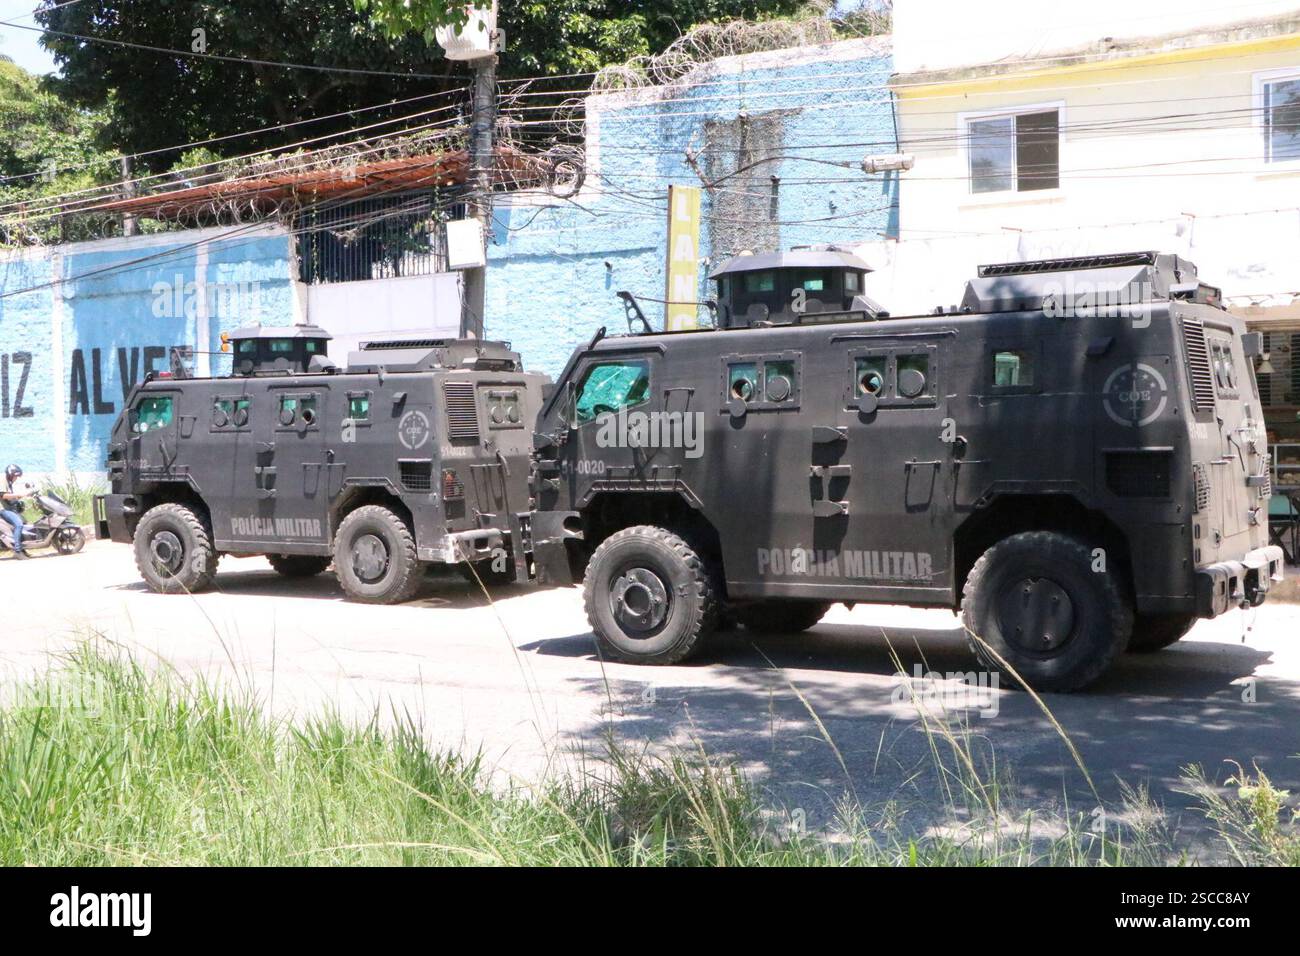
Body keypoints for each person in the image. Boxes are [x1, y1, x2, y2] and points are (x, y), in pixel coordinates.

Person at [2, 464, 31, 559]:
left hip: (8, 508)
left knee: (24, 522)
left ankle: (22, 549)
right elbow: (3, 496)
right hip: (2, 509)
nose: (16, 478)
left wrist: (20, 497)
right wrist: (18, 494)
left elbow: (10, 497)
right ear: (11, 475)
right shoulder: (2, 480)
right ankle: (17, 551)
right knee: (18, 524)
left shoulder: (8, 482)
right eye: (16, 476)